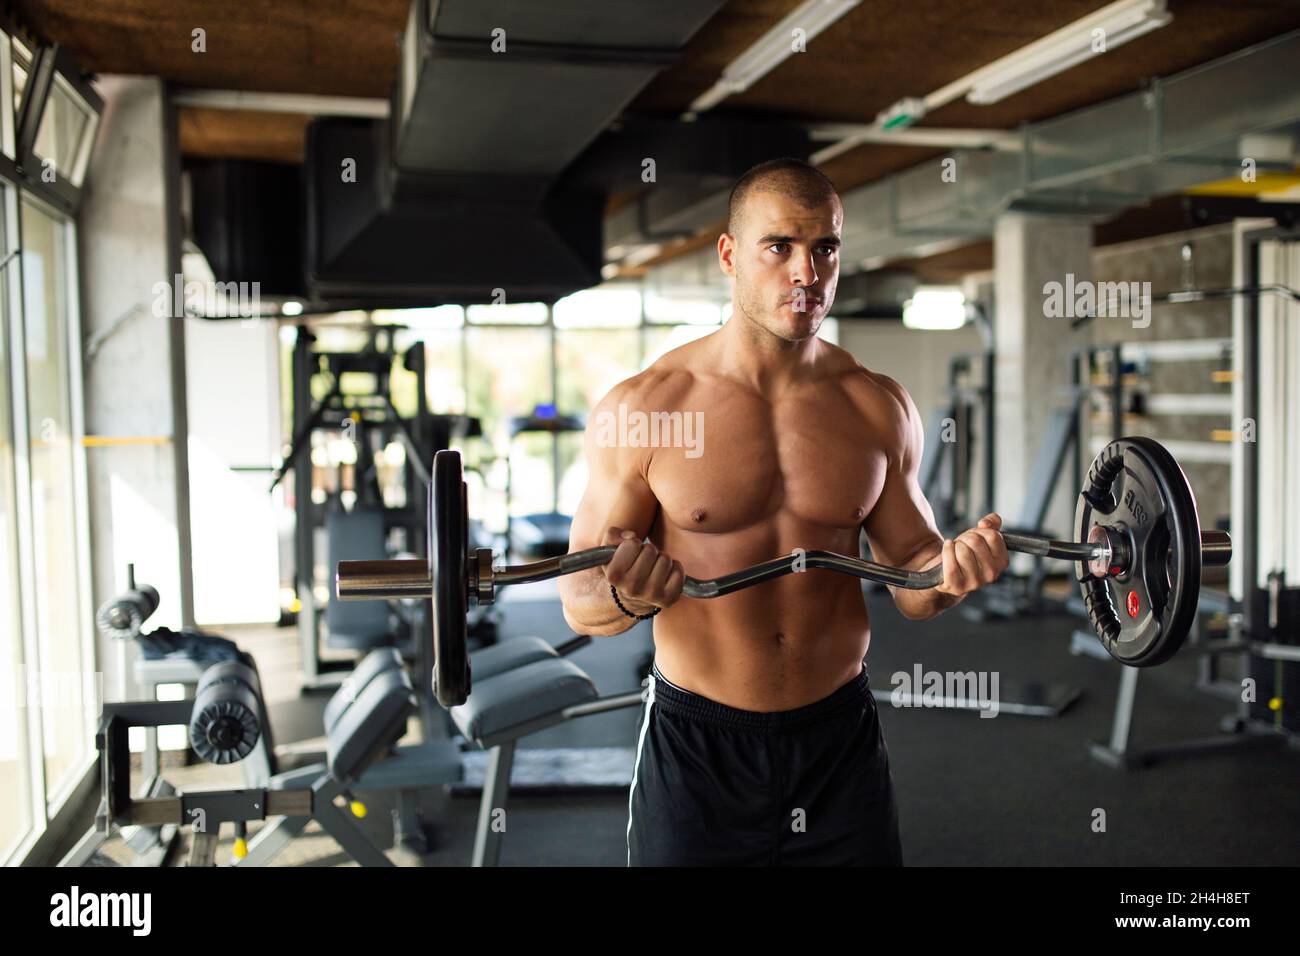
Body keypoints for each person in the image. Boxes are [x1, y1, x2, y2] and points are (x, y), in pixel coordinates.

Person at [557, 157, 1009, 866]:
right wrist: (622, 592)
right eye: (780, 247)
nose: (808, 272)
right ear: (730, 257)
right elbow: (580, 601)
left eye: (825, 247)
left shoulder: (874, 405)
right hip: (698, 747)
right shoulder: (648, 407)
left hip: (839, 743)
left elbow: (914, 581)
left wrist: (951, 572)